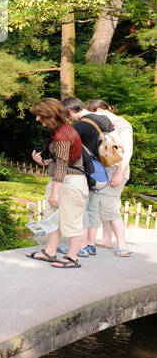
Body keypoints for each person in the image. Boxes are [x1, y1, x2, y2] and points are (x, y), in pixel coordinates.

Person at [26, 98, 89, 268]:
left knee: (72, 222)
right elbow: (63, 160)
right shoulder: (60, 131)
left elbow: (62, 165)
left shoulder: (63, 134)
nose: (38, 119)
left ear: (49, 115)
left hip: (69, 183)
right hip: (63, 181)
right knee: (52, 220)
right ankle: (50, 253)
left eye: (40, 115)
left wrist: (55, 192)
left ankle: (72, 257)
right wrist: (43, 163)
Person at [61, 97, 114, 257]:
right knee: (93, 209)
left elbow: (68, 148)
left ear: (71, 111)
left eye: (67, 115)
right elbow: (117, 142)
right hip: (100, 170)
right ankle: (90, 244)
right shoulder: (104, 119)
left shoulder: (80, 126)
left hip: (85, 171)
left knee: (81, 209)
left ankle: (80, 246)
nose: (69, 119)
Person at [86, 99, 135, 257]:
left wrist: (119, 173)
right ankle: (107, 239)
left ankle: (122, 246)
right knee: (104, 205)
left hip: (117, 171)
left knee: (110, 207)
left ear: (100, 110)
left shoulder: (123, 125)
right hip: (107, 170)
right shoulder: (107, 125)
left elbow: (127, 151)